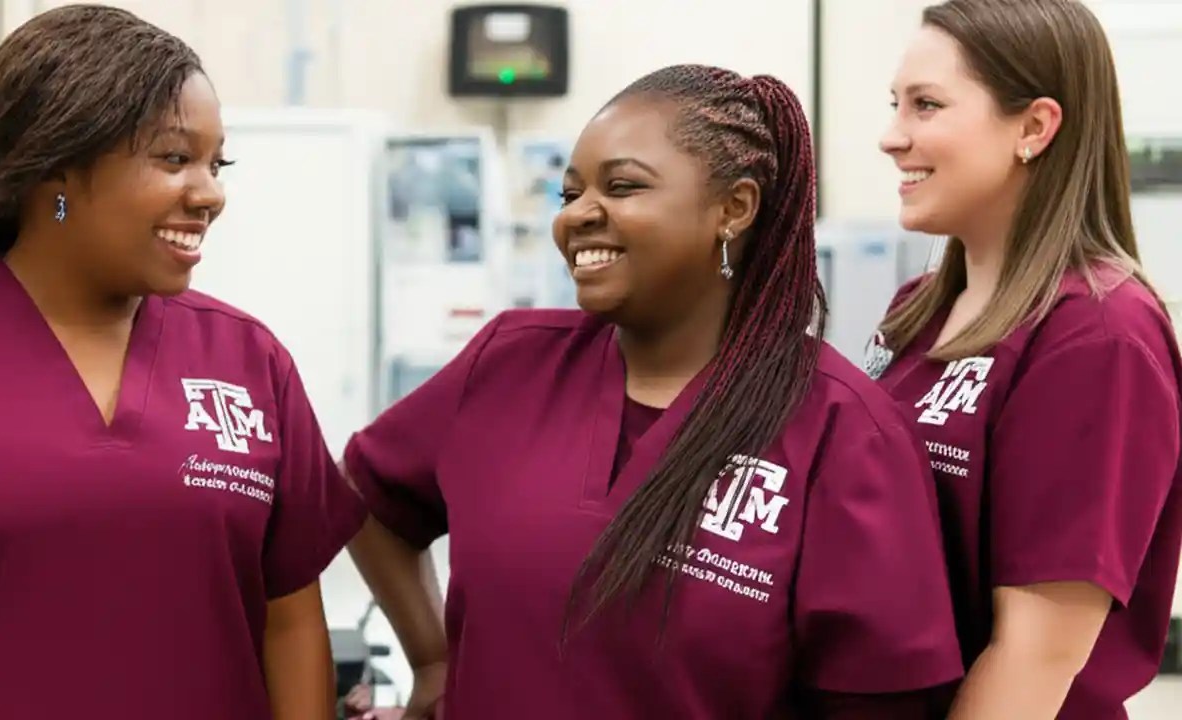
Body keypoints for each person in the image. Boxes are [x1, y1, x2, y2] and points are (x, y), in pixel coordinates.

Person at [343, 64, 964, 719]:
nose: (579, 216)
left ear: (734, 209)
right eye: (569, 194)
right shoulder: (508, 363)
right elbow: (365, 495)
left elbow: (883, 698)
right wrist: (436, 664)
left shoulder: (843, 432)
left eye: (622, 187)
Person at [0, 6, 364, 719]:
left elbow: (290, 618)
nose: (210, 192)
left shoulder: (249, 361)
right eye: (175, 158)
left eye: (217, 163)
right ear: (55, 167)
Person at [874, 1, 1182, 718]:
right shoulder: (917, 308)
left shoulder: (1100, 336)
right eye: (896, 104)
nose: (892, 137)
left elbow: (1035, 655)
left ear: (1035, 128)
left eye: (927, 106)